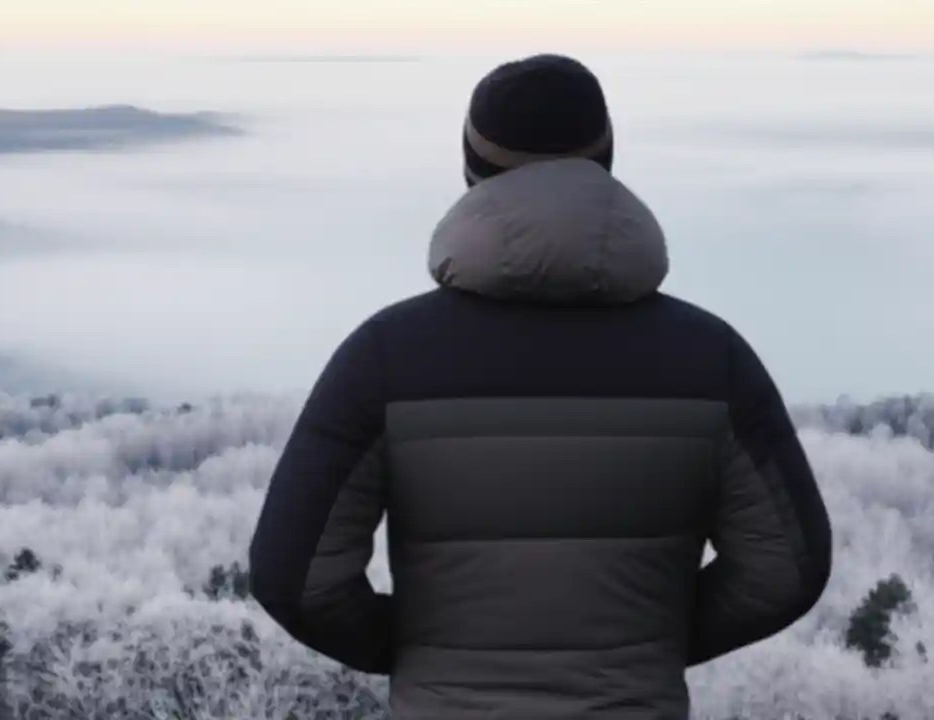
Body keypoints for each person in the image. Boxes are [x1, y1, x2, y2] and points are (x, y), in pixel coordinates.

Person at [249, 53, 832, 720]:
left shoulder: (383, 358)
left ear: (472, 173)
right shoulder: (714, 360)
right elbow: (785, 568)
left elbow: (293, 577)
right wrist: (647, 645)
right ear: (607, 159)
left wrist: (420, 652)